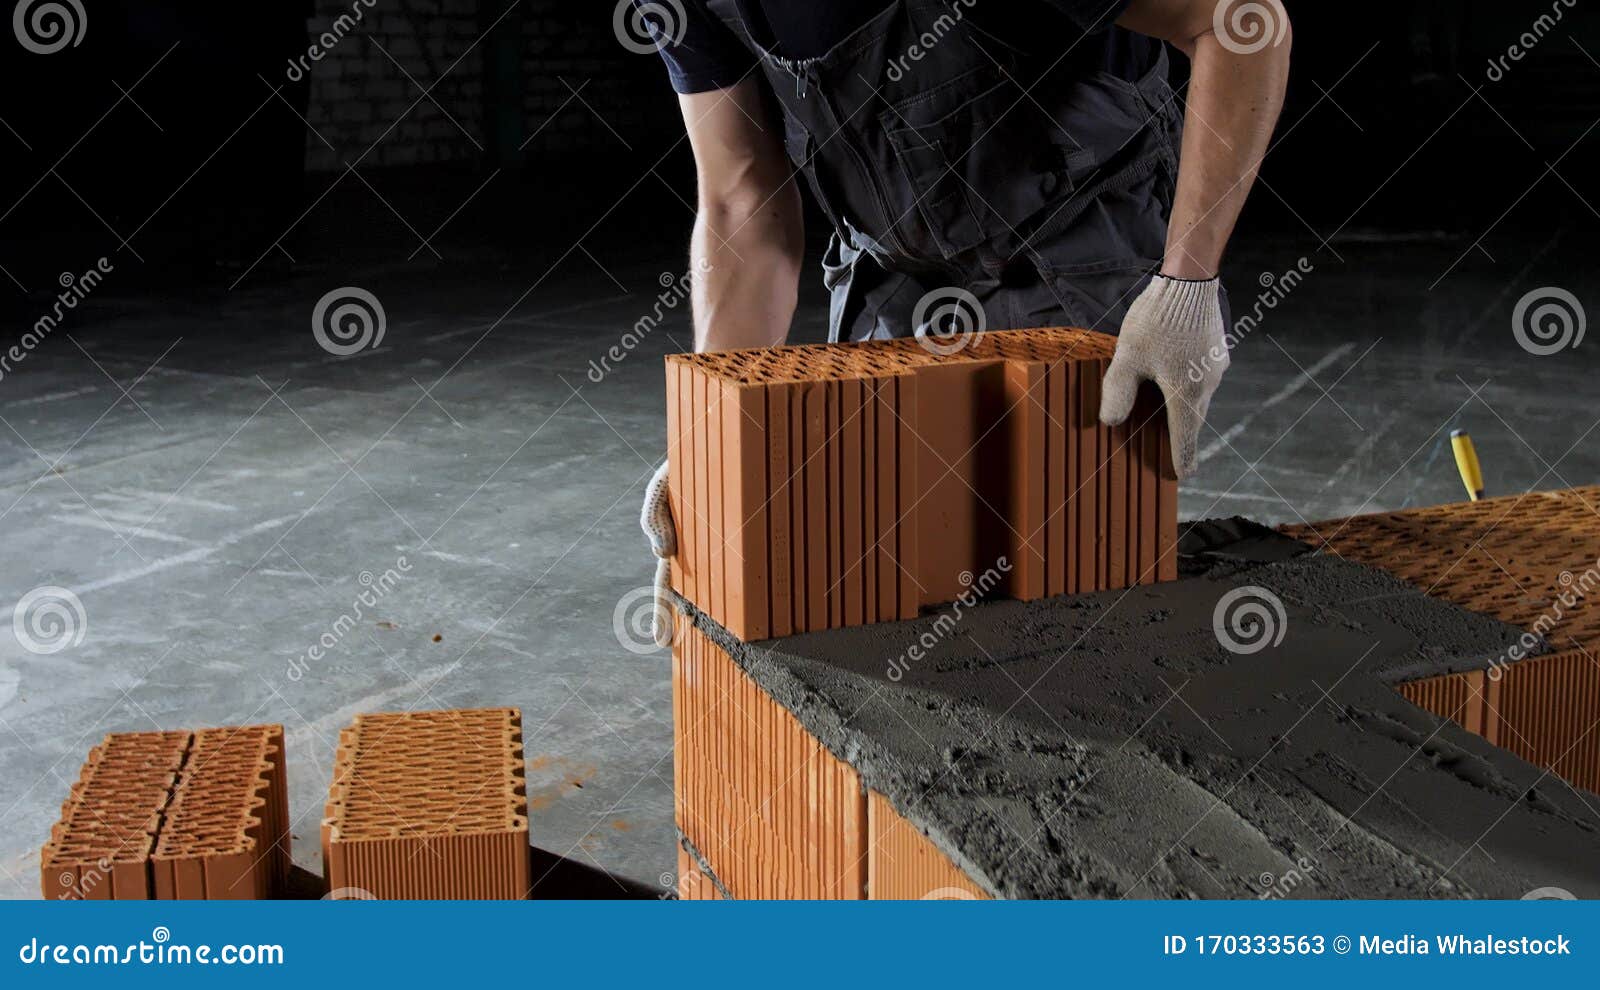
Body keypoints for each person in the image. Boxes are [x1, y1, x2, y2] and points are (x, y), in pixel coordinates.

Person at [637, 1, 1292, 632]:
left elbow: (1239, 22)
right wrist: (710, 426)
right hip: (897, 277)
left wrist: (1186, 282)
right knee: (874, 584)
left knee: (1073, 593)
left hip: (1077, 252)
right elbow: (741, 195)